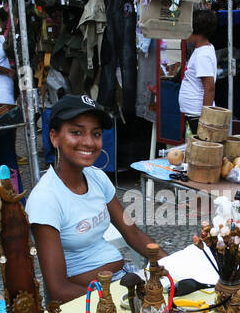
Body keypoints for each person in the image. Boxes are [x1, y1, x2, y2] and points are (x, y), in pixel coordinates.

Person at [28, 95, 166, 302]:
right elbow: (58, 289)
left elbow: (133, 232)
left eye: (96, 134)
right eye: (76, 132)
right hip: (87, 297)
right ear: (54, 137)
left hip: (124, 277)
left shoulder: (96, 177)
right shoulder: (45, 199)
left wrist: (170, 263)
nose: (89, 142)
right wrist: (114, 300)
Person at [179, 9, 219, 134]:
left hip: (198, 115)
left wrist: (205, 118)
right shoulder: (202, 50)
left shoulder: (203, 55)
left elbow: (209, 87)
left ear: (196, 31)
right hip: (194, 114)